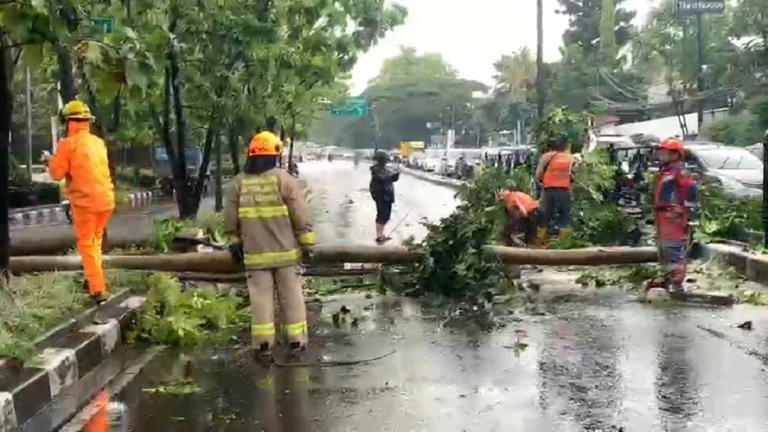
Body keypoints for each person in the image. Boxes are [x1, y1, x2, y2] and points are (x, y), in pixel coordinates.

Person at [223, 130, 315, 362]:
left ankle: (264, 346)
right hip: (286, 255)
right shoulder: (284, 180)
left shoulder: (239, 183)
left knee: (260, 301)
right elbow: (300, 215)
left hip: (255, 256)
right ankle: (296, 342)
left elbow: (230, 220)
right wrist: (308, 244)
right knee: (292, 297)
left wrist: (235, 244)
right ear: (275, 153)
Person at [45, 100, 115, 316]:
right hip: (106, 200)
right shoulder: (97, 143)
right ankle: (95, 280)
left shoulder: (68, 144)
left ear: (68, 121)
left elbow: (57, 174)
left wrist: (50, 160)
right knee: (95, 242)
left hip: (86, 203)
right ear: (87, 121)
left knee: (87, 245)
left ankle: (97, 289)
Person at [653, 138, 697, 293]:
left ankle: (677, 282)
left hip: (672, 216)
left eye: (664, 152)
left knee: (673, 248)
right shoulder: (666, 171)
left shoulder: (679, 171)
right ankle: (667, 278)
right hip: (662, 215)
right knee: (664, 249)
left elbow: (691, 188)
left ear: (675, 154)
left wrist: (685, 209)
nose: (661, 154)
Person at [536, 135, 574, 241]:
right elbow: (571, 174)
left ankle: (541, 241)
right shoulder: (569, 158)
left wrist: (540, 182)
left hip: (549, 189)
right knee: (564, 216)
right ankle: (565, 241)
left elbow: (538, 173)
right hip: (564, 189)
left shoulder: (546, 157)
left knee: (546, 215)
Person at [369, 150, 400, 244]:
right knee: (382, 216)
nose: (386, 162)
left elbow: (393, 179)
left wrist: (397, 171)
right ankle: (379, 236)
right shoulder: (376, 170)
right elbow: (384, 178)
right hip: (381, 196)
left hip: (387, 196)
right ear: (381, 160)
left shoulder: (384, 169)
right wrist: (393, 174)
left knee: (385, 216)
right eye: (385, 160)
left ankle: (382, 235)